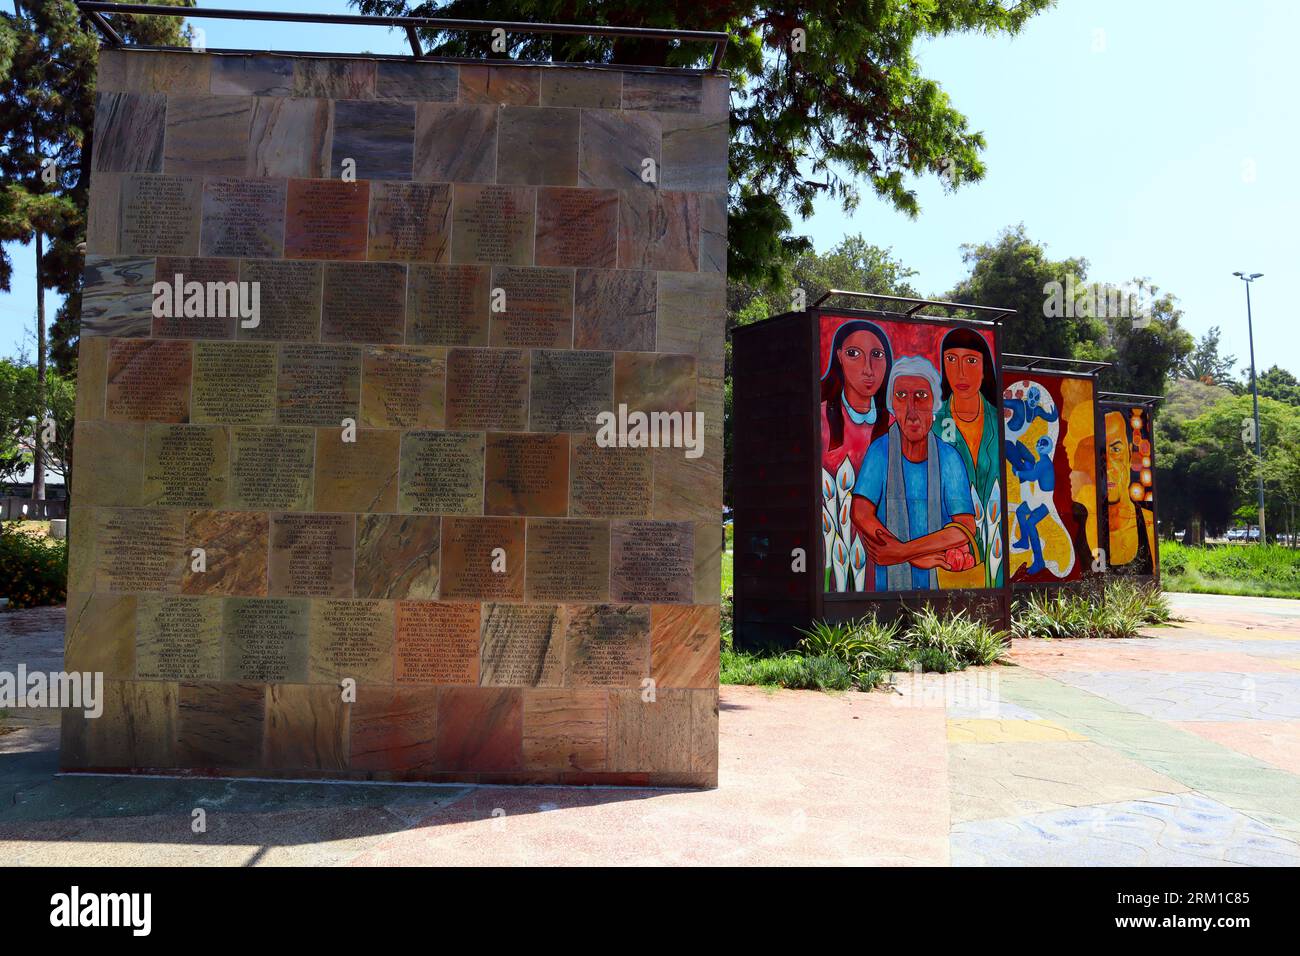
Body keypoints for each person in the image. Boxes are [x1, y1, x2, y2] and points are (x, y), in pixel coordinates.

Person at [850, 356, 978, 590]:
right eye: (901, 396)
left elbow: (966, 527)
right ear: (892, 406)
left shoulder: (949, 457)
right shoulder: (880, 451)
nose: (911, 411)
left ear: (934, 405)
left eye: (920, 396)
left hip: (942, 586)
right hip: (887, 590)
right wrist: (916, 557)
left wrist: (902, 551)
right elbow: (860, 513)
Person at [932, 327, 1003, 586]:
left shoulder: (1000, 421)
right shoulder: (933, 425)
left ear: (985, 368)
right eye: (951, 360)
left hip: (999, 551)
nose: (960, 373)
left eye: (971, 361)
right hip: (952, 553)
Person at [820, 319, 893, 475]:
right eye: (853, 353)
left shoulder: (895, 425)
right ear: (839, 357)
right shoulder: (821, 418)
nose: (868, 369)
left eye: (877, 355)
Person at [1104, 410, 1154, 573]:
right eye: (1099, 454)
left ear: (1130, 453)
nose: (1108, 467)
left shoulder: (1148, 523)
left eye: (1116, 450)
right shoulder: (1083, 526)